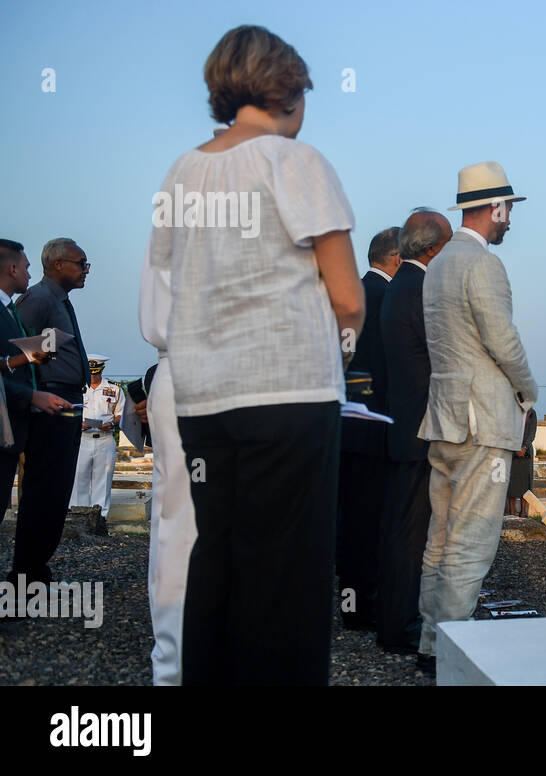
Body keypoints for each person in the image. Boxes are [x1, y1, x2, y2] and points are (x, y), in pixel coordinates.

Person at [154, 25, 364, 684]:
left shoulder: (183, 169)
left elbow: (168, 279)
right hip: (289, 389)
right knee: (287, 576)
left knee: (216, 558)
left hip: (203, 396)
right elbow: (349, 296)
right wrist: (344, 345)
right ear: (289, 91)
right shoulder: (294, 161)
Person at [417, 161, 536, 675]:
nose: (509, 221)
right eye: (508, 211)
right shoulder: (483, 265)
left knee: (439, 539)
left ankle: (429, 642)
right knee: (471, 544)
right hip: (481, 423)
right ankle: (454, 657)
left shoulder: (438, 263)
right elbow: (501, 339)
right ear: (497, 208)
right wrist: (527, 388)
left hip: (442, 418)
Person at [375, 208, 451, 654]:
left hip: (402, 425)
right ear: (432, 248)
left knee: (400, 529)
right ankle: (401, 626)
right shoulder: (420, 289)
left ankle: (396, 620)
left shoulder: (398, 286)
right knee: (410, 534)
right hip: (419, 429)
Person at [10, 237, 92, 584]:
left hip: (67, 399)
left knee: (58, 490)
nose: (86, 270)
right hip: (50, 401)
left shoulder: (57, 299)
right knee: (46, 489)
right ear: (58, 264)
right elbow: (15, 351)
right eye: (80, 263)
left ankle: (36, 569)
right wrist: (49, 351)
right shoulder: (40, 298)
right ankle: (26, 575)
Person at [336, 227, 400, 630]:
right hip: (376, 424)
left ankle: (350, 604)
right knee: (370, 521)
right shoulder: (387, 298)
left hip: (345, 424)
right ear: (395, 257)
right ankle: (364, 607)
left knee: (349, 519)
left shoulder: (352, 296)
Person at [139, 257, 195, 685]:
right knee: (180, 522)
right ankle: (176, 662)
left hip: (190, 373)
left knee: (176, 520)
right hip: (192, 373)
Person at [0, 240, 64, 527]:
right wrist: (30, 396)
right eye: (26, 268)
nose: (29, 274)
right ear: (11, 268)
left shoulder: (9, 310)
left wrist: (28, 355)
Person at [70, 355, 123, 513]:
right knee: (79, 480)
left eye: (96, 373)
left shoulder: (114, 389)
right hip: (82, 439)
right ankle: (78, 516)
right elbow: (69, 411)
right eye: (90, 373)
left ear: (102, 370)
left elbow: (121, 414)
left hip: (104, 439)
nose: (93, 376)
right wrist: (78, 423)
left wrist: (112, 423)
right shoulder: (77, 388)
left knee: (103, 481)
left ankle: (100, 518)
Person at [506, 408, 537, 517]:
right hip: (513, 450)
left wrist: (524, 447)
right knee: (512, 481)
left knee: (525, 482)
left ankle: (523, 511)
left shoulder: (531, 413)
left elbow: (532, 433)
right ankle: (512, 511)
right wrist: (515, 447)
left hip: (526, 451)